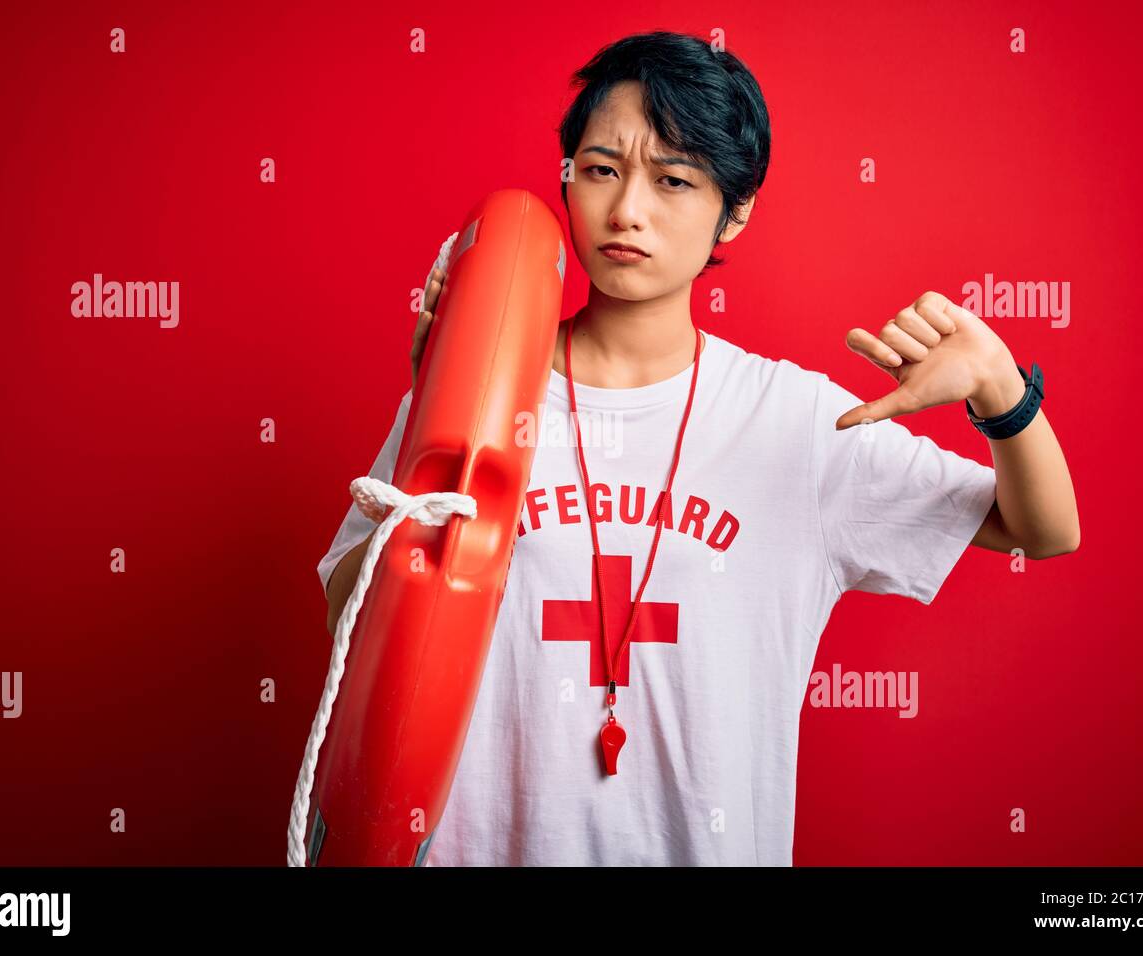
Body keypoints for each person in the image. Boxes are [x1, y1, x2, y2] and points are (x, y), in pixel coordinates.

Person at [316, 31, 1079, 866]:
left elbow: (1041, 531)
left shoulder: (793, 419)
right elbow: (350, 627)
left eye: (674, 180)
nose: (627, 210)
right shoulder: (475, 398)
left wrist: (1002, 391)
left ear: (736, 209)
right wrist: (446, 408)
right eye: (601, 169)